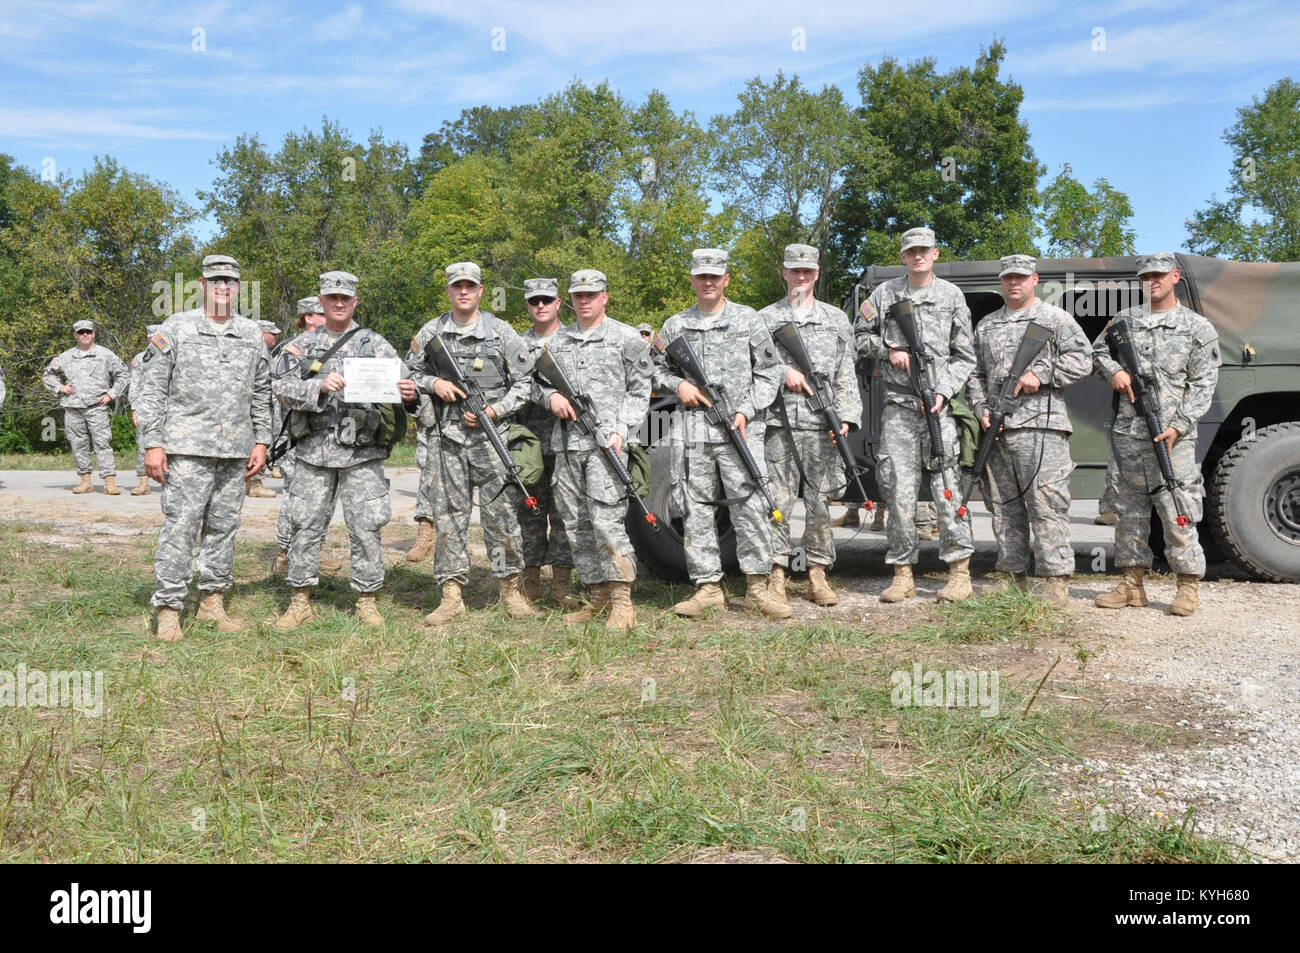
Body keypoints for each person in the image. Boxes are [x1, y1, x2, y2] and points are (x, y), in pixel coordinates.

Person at [135, 254, 272, 641]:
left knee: (224, 528)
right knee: (181, 527)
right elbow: (151, 390)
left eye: (230, 281)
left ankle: (212, 600)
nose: (223, 287)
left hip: (235, 452)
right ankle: (169, 607)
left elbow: (262, 393)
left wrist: (262, 441)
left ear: (239, 287)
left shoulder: (250, 334)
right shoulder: (176, 328)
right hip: (185, 449)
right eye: (216, 281)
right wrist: (153, 444)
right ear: (202, 285)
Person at [271, 271, 416, 629]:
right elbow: (279, 387)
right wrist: (317, 387)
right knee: (304, 525)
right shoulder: (299, 346)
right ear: (320, 302)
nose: (338, 303)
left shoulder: (374, 344)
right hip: (313, 451)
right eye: (331, 297)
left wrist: (409, 393)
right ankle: (300, 599)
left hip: (362, 453)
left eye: (345, 298)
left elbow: (404, 382)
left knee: (366, 527)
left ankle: (367, 599)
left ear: (355, 302)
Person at [652, 248, 789, 619]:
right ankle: (708, 588)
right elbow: (656, 369)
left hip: (739, 429)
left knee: (751, 506)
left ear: (726, 279)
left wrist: (746, 409)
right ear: (693, 280)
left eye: (715, 276)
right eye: (702, 276)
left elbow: (769, 373)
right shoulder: (674, 326)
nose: (708, 281)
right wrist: (677, 385)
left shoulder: (749, 320)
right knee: (695, 508)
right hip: (693, 430)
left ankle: (758, 588)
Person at [406, 261, 539, 626]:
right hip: (447, 440)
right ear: (448, 291)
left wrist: (496, 410)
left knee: (501, 519)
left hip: (492, 442)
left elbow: (527, 382)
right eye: (457, 286)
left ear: (480, 290)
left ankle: (509, 590)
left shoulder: (501, 332)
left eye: (470, 286)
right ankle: (451, 595)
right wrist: (436, 385)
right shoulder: (432, 332)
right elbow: (409, 374)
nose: (464, 291)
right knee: (449, 519)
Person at [1092, 252, 1220, 616]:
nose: (1153, 281)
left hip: (1172, 436)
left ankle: (1187, 585)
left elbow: (1203, 384)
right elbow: (1097, 353)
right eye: (1146, 276)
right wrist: (1114, 371)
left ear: (1175, 276)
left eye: (1159, 275)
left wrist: (1178, 425)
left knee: (1178, 507)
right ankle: (1132, 585)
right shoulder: (1124, 320)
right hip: (1128, 433)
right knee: (1128, 509)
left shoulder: (1197, 328)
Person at [854, 227, 975, 603]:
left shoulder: (952, 296)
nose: (917, 256)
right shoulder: (884, 294)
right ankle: (902, 572)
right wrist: (887, 347)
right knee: (898, 492)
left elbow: (965, 356)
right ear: (903, 256)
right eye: (911, 252)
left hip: (937, 409)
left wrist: (942, 390)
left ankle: (959, 573)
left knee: (946, 490)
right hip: (899, 409)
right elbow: (858, 337)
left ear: (935, 254)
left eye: (924, 250)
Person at [966, 255, 1092, 604]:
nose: (1014, 283)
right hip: (998, 428)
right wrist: (980, 409)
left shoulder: (1054, 319)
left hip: (1042, 428)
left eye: (1021, 277)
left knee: (1046, 504)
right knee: (1004, 507)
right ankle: (1011, 574)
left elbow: (1084, 359)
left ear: (1035, 279)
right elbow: (974, 374)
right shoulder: (987, 325)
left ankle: (1055, 579)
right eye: (1007, 278)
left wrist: (1041, 375)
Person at [538, 269, 650, 631]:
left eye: (591, 294)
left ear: (605, 296)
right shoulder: (557, 342)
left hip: (606, 446)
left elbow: (640, 388)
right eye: (578, 295)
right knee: (575, 523)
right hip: (567, 446)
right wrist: (550, 396)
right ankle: (598, 596)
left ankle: (621, 601)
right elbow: (533, 383)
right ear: (570, 299)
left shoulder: (627, 338)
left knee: (606, 522)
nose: (584, 300)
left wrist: (622, 430)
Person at [758, 243, 861, 607]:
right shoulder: (765, 319)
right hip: (778, 424)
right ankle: (776, 577)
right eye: (794, 270)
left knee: (820, 504)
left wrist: (846, 417)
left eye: (807, 271)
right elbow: (750, 366)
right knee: (777, 504)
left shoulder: (835, 319)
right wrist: (780, 371)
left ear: (816, 274)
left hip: (821, 426)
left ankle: (817, 574)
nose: (800, 276)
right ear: (784, 273)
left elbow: (846, 371)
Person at [516, 277, 576, 605]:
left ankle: (562, 584)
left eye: (547, 300)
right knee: (530, 513)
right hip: (528, 443)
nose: (540, 305)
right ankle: (530, 583)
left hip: (568, 440)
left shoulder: (573, 339)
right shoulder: (515, 344)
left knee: (565, 513)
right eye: (534, 300)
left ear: (558, 303)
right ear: (527, 305)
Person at [274, 297, 342, 572]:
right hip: (298, 436)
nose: (327, 316)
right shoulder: (293, 349)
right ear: (309, 317)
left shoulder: (332, 344)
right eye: (320, 313)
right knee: (297, 497)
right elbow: (279, 389)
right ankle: (285, 553)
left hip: (328, 439)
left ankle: (309, 550)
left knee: (321, 501)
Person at [42, 320, 129, 495]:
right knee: (78, 444)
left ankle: (109, 481)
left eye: (88, 332)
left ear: (94, 333)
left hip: (97, 406)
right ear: (75, 335)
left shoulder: (105, 355)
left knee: (102, 443)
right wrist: (60, 388)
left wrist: (111, 394)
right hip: (73, 407)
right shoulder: (66, 357)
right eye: (81, 332)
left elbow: (123, 374)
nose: (85, 335)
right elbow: (48, 374)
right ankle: (85, 481)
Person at [245, 320, 282, 499]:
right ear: (261, 334)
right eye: (272, 333)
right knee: (255, 442)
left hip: (265, 405)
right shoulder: (252, 352)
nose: (276, 337)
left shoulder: (267, 354)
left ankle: (251, 481)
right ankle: (254, 484)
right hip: (254, 407)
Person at [127, 325, 162, 496]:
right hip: (146, 407)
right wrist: (135, 409)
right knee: (143, 444)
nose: (154, 340)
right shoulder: (141, 359)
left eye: (158, 337)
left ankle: (174, 483)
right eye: (151, 337)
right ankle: (143, 482)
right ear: (148, 339)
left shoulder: (175, 355)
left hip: (170, 408)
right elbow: (134, 384)